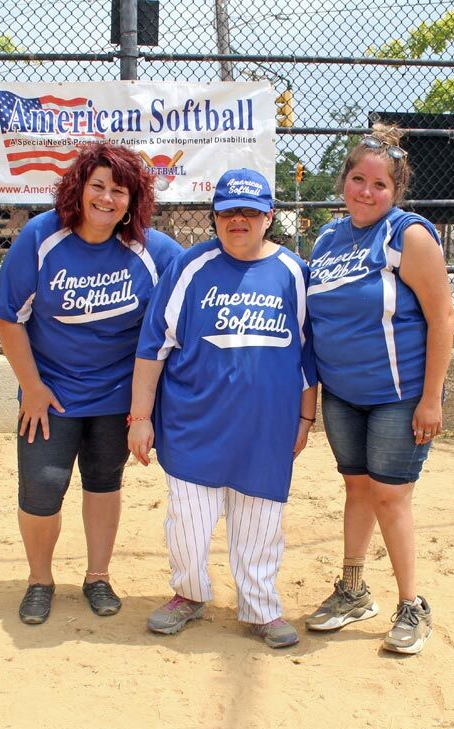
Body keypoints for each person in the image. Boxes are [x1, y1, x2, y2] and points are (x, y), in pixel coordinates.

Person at [0, 141, 182, 626]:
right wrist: (31, 387)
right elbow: (7, 316)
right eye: (97, 186)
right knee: (41, 486)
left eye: (119, 191)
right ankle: (39, 580)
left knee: (103, 482)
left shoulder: (151, 249)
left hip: (115, 396)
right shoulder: (42, 236)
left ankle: (97, 577)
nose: (106, 199)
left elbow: (196, 279)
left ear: (133, 200)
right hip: (50, 392)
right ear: (79, 188)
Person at [128, 168, 317, 649]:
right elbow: (153, 347)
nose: (239, 220)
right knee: (187, 526)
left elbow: (306, 354)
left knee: (261, 526)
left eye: (250, 211)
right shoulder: (190, 268)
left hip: (265, 430)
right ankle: (189, 594)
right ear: (214, 217)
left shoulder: (293, 272)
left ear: (268, 216)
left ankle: (260, 608)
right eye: (229, 211)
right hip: (195, 424)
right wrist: (142, 418)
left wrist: (306, 417)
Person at [303, 123, 454, 655]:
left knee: (392, 495)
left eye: (379, 185)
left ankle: (412, 604)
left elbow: (442, 319)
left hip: (399, 394)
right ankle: (352, 590)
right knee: (357, 488)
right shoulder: (327, 238)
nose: (366, 192)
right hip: (344, 394)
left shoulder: (408, 235)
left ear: (396, 192)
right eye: (357, 179)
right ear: (343, 180)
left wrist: (431, 397)